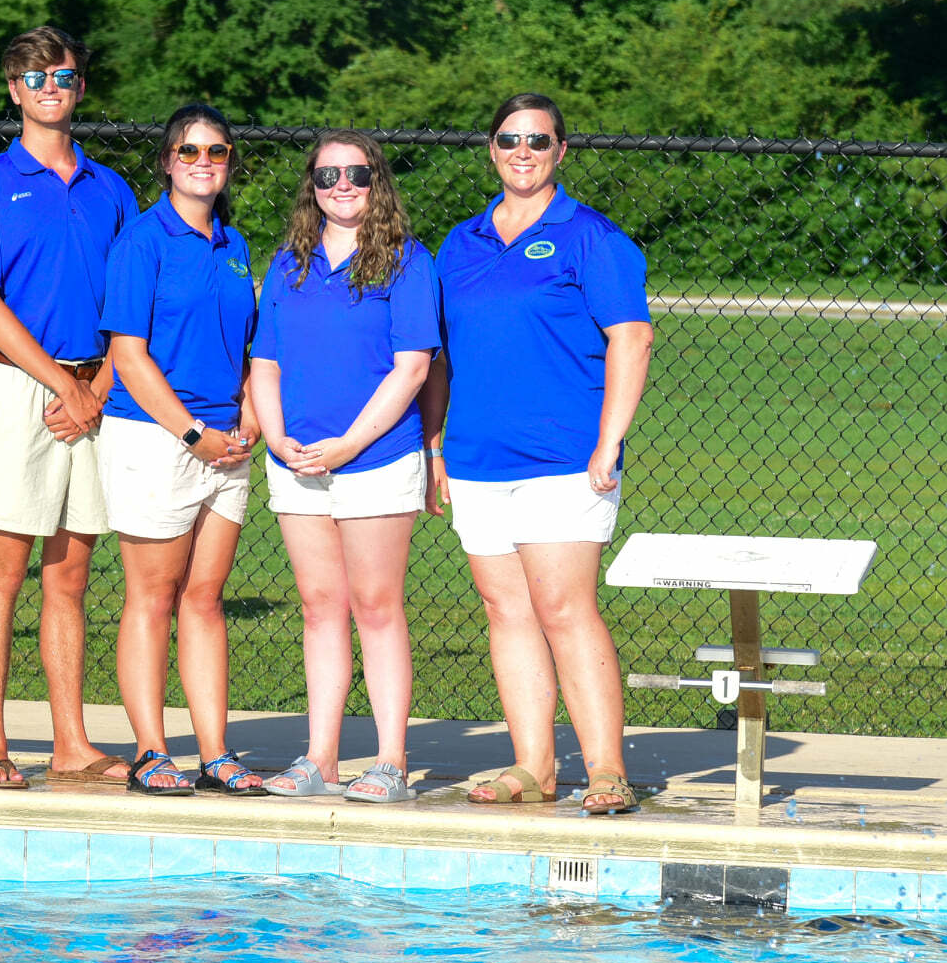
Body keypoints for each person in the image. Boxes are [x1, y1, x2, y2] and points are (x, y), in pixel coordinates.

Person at [420, 93, 655, 815]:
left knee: (564, 607)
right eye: (509, 138)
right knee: (507, 610)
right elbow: (440, 358)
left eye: (539, 140)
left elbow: (632, 338)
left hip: (564, 459)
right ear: (490, 148)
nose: (523, 151)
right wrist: (434, 446)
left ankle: (607, 768)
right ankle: (535, 764)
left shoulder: (592, 237)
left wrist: (609, 439)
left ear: (561, 151)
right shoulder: (459, 244)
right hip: (476, 459)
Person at [0, 25, 141, 790]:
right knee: (5, 571)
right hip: (23, 389)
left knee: (71, 577)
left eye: (62, 75)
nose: (49, 88)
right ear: (12, 90)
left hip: (98, 394)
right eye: (34, 77)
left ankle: (71, 744)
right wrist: (63, 387)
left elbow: (131, 305)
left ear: (80, 88)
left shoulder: (111, 190)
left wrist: (95, 390)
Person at [249, 131, 439, 804]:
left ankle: (390, 760)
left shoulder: (409, 262)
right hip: (298, 461)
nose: (342, 186)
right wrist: (276, 436)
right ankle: (320, 759)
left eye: (356, 173)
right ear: (312, 185)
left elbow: (412, 367)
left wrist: (349, 445)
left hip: (376, 458)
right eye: (328, 176)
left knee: (376, 606)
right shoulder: (288, 265)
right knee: (320, 605)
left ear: (377, 179)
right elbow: (265, 361)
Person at [97, 103, 265, 796]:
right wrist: (193, 433)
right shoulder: (143, 242)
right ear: (167, 161)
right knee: (152, 596)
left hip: (227, 440)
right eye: (190, 152)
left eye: (217, 152)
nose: (204, 163)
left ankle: (216, 752)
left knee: (204, 598)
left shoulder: (235, 245)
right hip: (156, 437)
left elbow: (248, 348)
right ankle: (149, 750)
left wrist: (247, 419)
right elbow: (128, 357)